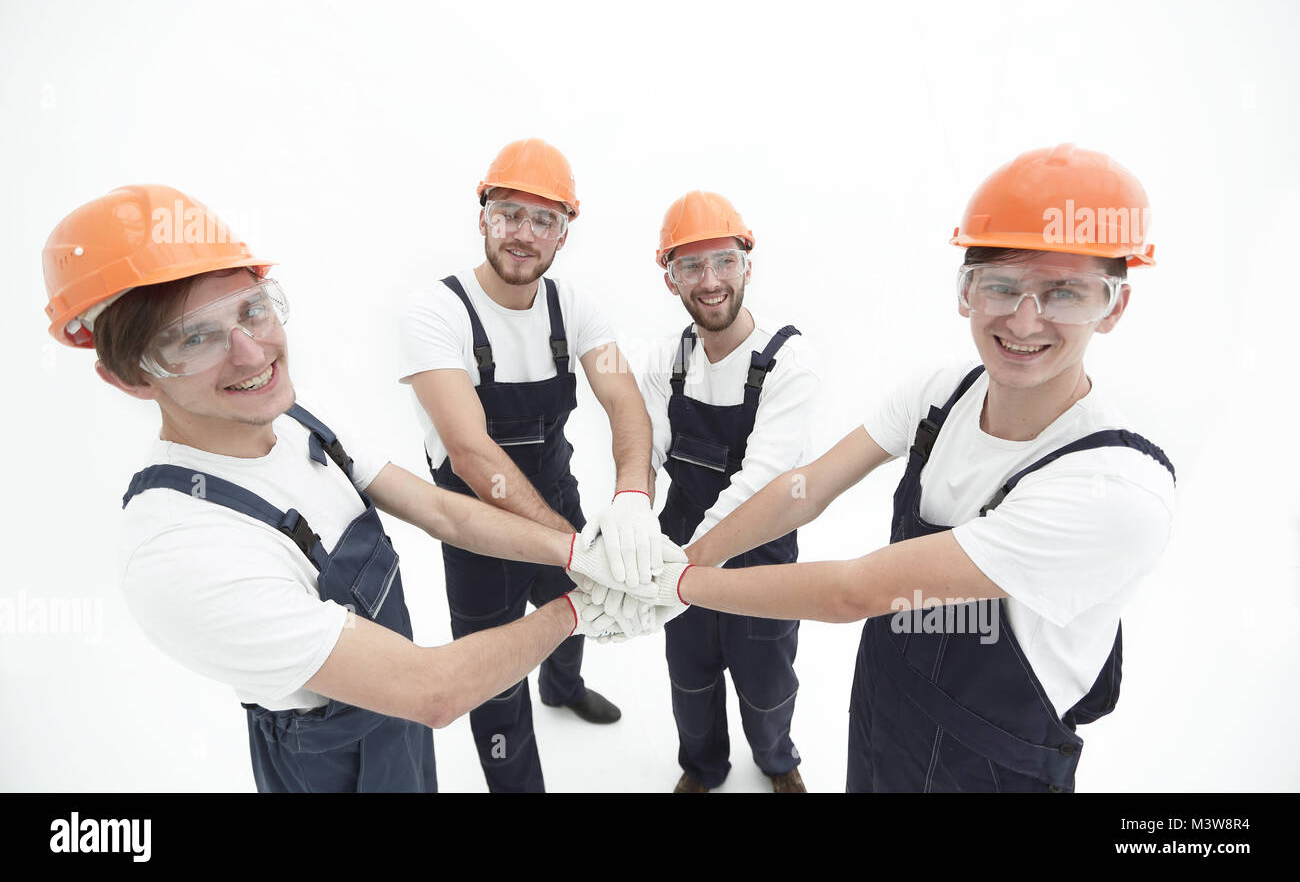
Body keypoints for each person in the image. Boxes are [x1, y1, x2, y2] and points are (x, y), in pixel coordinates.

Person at [40, 184, 638, 793]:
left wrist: (577, 556)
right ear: (129, 377)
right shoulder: (182, 549)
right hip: (331, 756)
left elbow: (439, 511)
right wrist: (580, 607)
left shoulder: (298, 423)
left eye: (251, 310)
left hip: (399, 722)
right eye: (194, 337)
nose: (251, 355)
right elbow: (433, 690)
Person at [642, 144, 1177, 792]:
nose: (1025, 318)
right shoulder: (940, 395)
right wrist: (691, 557)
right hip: (883, 716)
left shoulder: (1112, 488)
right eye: (1002, 284)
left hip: (992, 768)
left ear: (1113, 306)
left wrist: (672, 586)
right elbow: (804, 490)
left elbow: (857, 591)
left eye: (1063, 291)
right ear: (966, 291)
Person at [397, 139, 663, 792]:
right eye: (510, 213)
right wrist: (569, 546)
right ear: (481, 215)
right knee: (493, 676)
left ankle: (563, 687)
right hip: (472, 520)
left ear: (564, 233)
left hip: (552, 487)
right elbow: (470, 452)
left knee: (573, 610)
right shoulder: (436, 312)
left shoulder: (574, 309)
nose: (524, 233)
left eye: (543, 219)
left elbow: (625, 403)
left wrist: (631, 495)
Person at [637, 191, 821, 793]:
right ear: (670, 278)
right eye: (690, 265)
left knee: (767, 682)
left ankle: (776, 760)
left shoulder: (787, 363)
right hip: (680, 539)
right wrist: (630, 526)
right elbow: (644, 454)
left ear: (748, 264)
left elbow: (760, 481)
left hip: (761, 551)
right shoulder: (665, 362)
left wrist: (681, 562)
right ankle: (703, 767)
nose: (709, 280)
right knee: (689, 675)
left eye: (723, 261)